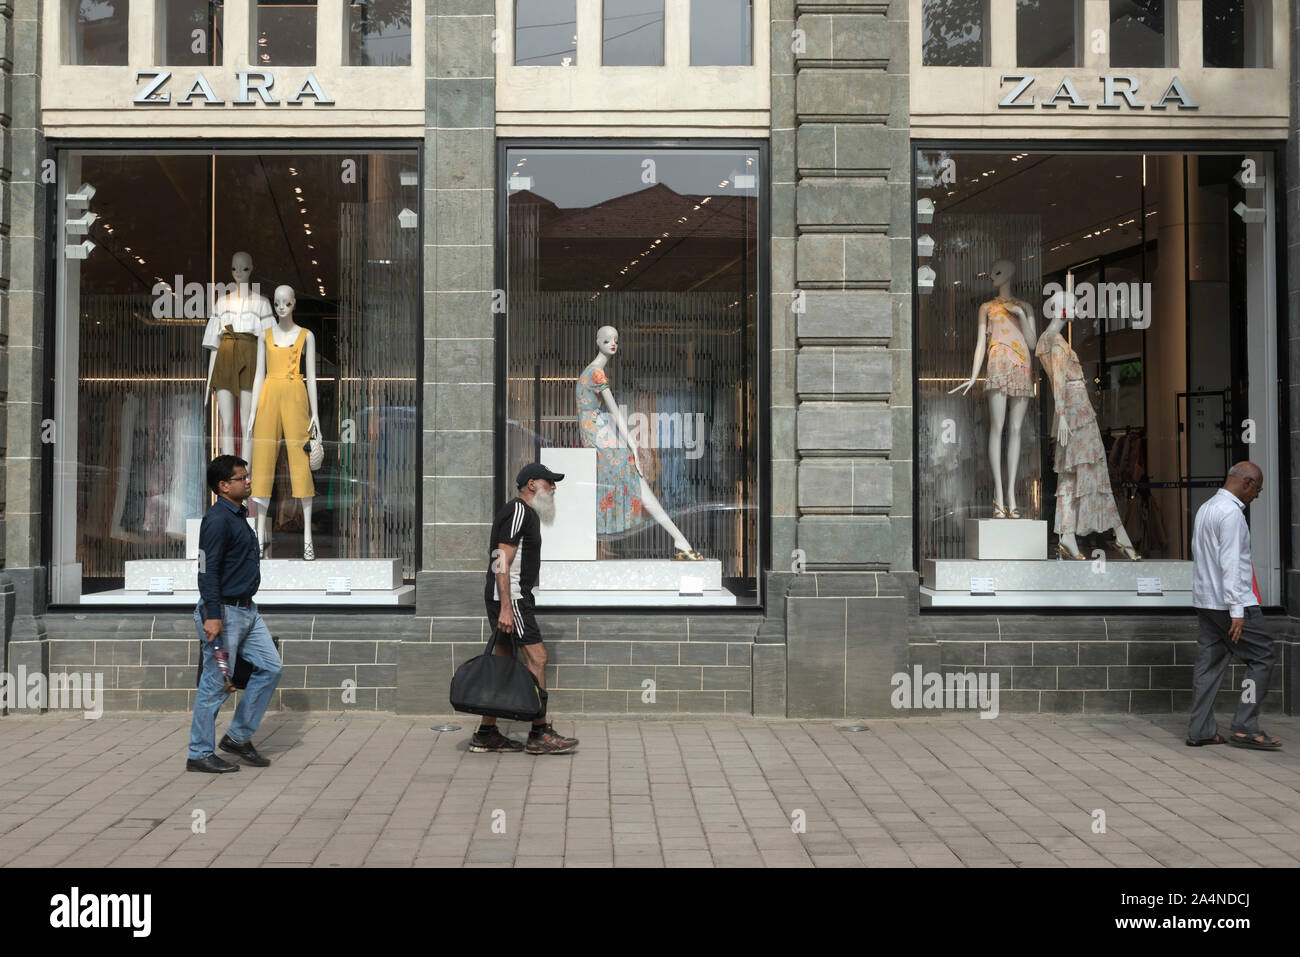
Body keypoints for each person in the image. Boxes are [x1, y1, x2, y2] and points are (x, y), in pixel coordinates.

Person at [470, 463, 579, 755]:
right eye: (549, 482)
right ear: (531, 484)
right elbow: (499, 558)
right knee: (538, 657)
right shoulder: (519, 510)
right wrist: (507, 606)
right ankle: (539, 732)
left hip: (509, 597)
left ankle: (486, 732)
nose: (554, 487)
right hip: (512, 598)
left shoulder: (525, 513)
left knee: (503, 661)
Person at [188, 455, 283, 772]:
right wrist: (212, 615)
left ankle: (238, 737)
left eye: (248, 476)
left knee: (270, 667)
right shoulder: (217, 520)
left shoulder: (237, 515)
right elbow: (206, 571)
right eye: (242, 478)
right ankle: (199, 753)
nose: (249, 481)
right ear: (223, 486)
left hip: (247, 611)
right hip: (224, 614)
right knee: (215, 686)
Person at [1187, 461, 1280, 750]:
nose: (1257, 496)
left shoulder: (1207, 508)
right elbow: (1230, 564)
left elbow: (1201, 556)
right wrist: (1237, 611)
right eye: (1258, 489)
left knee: (1209, 665)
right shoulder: (1231, 515)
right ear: (1247, 483)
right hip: (1231, 604)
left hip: (1207, 601)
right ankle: (1245, 727)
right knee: (1262, 657)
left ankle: (1200, 729)